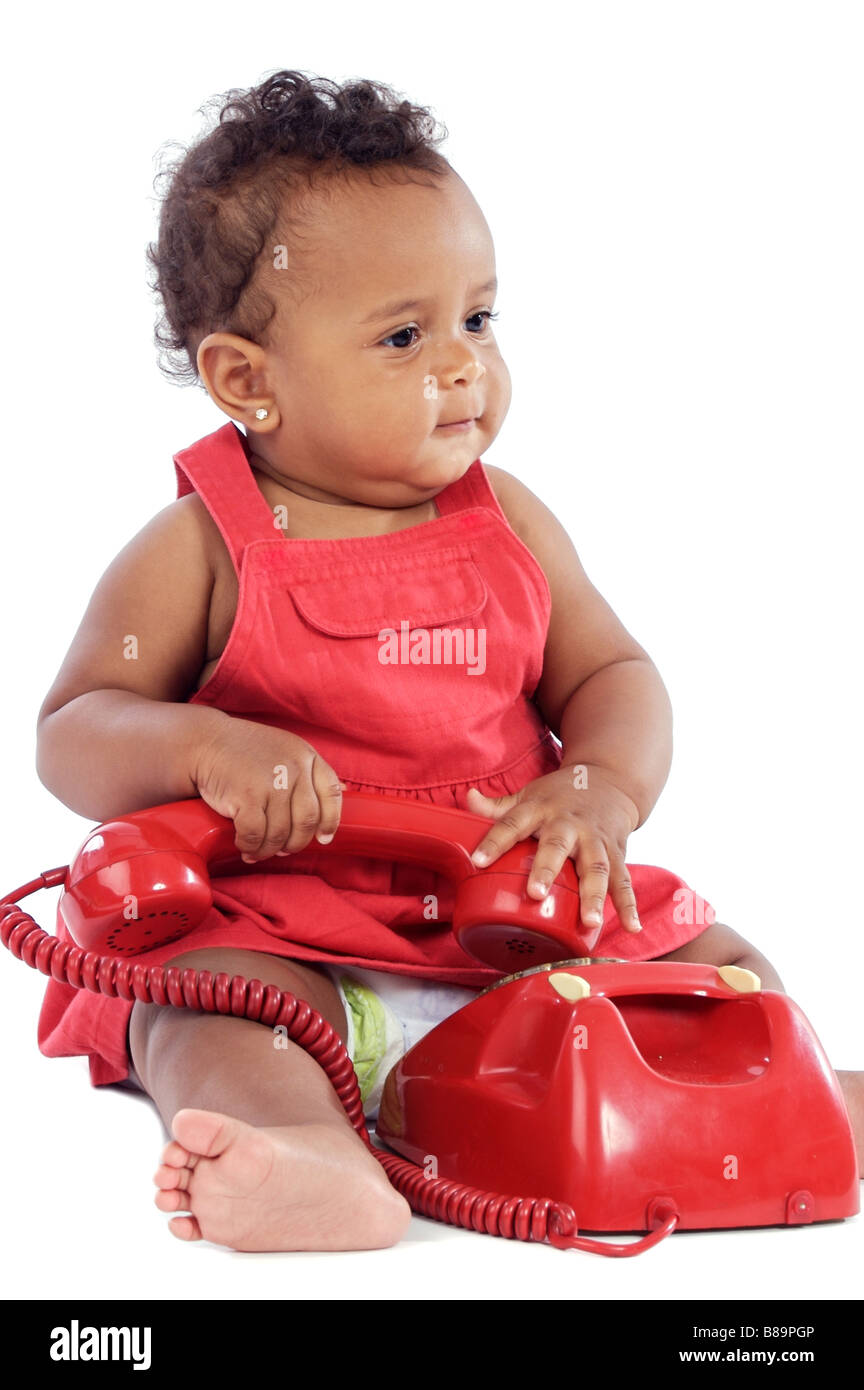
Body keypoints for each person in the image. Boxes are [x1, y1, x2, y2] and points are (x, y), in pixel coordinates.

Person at [34, 69, 864, 1254]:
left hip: (513, 926)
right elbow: (75, 724)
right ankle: (309, 1153)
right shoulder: (197, 550)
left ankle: (798, 1099)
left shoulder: (508, 521)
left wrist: (600, 788)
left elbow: (614, 675)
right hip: (292, 927)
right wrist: (203, 748)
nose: (464, 365)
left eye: (479, 320)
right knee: (204, 1003)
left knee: (720, 960)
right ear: (247, 381)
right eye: (405, 336)